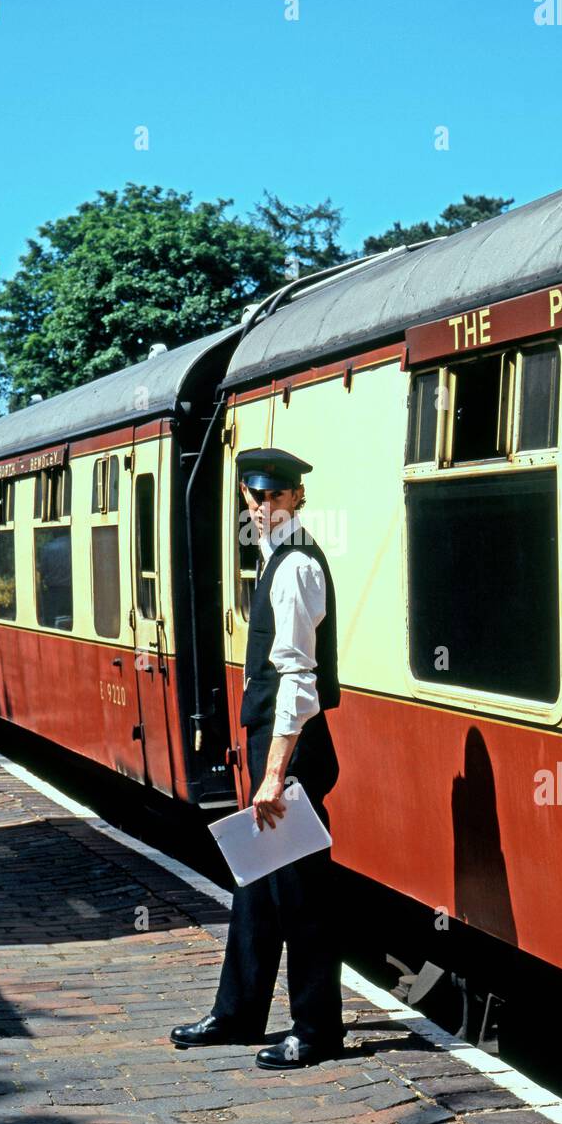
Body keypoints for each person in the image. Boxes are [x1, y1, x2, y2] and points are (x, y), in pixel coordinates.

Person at [170, 447, 345, 1069]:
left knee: (303, 899)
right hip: (274, 747)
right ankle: (238, 1013)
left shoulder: (296, 566)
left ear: (296, 497)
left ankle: (317, 1031)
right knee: (258, 883)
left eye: (274, 496)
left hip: (290, 751)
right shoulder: (275, 559)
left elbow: (298, 679)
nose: (263, 507)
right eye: (254, 497)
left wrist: (273, 774)